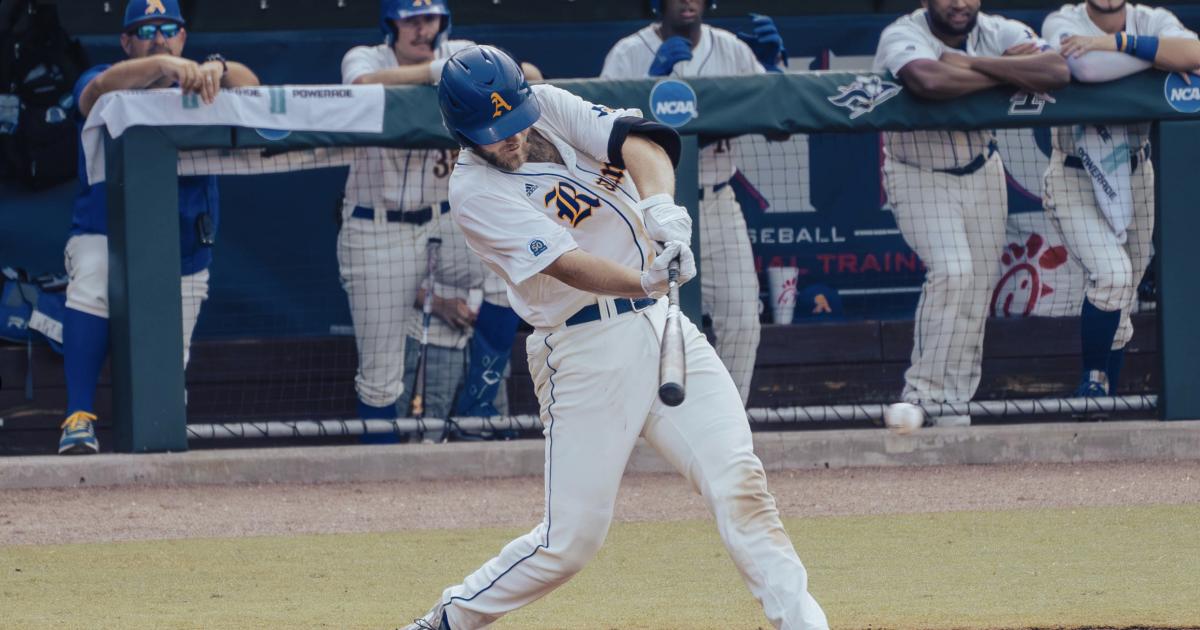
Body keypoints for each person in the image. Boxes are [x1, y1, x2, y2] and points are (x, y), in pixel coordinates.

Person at [402, 45, 827, 630]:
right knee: (569, 542)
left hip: (661, 326)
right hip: (580, 348)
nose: (509, 138)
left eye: (512, 122)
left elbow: (638, 144)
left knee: (740, 482)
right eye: (492, 132)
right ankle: (448, 619)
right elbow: (568, 265)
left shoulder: (546, 105)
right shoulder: (474, 191)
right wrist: (648, 276)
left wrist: (662, 212)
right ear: (462, 130)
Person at [57, 0, 258, 454]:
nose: (159, 37)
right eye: (147, 30)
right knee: (91, 273)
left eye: (169, 29)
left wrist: (219, 68)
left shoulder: (204, 81)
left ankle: (157, 454)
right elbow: (94, 93)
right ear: (127, 42)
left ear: (184, 35)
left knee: (167, 368)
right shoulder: (107, 76)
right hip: (105, 234)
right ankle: (77, 417)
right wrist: (162, 64)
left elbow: (252, 85)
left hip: (184, 243)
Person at [338, 0, 539, 433]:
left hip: (444, 221)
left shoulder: (462, 51)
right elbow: (361, 84)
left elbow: (526, 77)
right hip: (377, 228)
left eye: (429, 18)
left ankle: (478, 403)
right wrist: (435, 73)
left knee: (513, 264)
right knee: (380, 380)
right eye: (411, 19)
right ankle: (383, 476)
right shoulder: (366, 56)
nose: (422, 29)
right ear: (391, 24)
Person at [873, 0, 1069, 427]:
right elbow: (927, 80)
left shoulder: (997, 31)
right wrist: (1004, 71)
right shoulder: (902, 34)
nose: (960, 3)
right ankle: (922, 394)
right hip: (918, 171)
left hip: (983, 169)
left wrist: (973, 64)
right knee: (954, 271)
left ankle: (954, 404)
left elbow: (1056, 70)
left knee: (978, 288)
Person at [600, 0, 788, 406]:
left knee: (741, 319)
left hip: (716, 200)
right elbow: (599, 141)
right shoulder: (628, 53)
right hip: (646, 209)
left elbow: (781, 130)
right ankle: (651, 421)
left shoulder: (732, 49)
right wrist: (647, 85)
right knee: (643, 322)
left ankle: (729, 418)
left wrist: (775, 78)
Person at [1041, 0, 1200, 398]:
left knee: (1124, 292)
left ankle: (1104, 395)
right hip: (1075, 171)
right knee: (1112, 275)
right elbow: (1085, 69)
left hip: (1135, 169)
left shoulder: (1152, 18)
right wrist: (1156, 56)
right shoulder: (1062, 21)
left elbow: (1195, 54)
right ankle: (1093, 380)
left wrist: (1115, 42)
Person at [393, 219, 517, 442]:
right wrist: (439, 304)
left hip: (490, 344)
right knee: (426, 438)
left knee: (487, 436)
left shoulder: (506, 198)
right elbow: (391, 278)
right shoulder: (426, 204)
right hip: (433, 340)